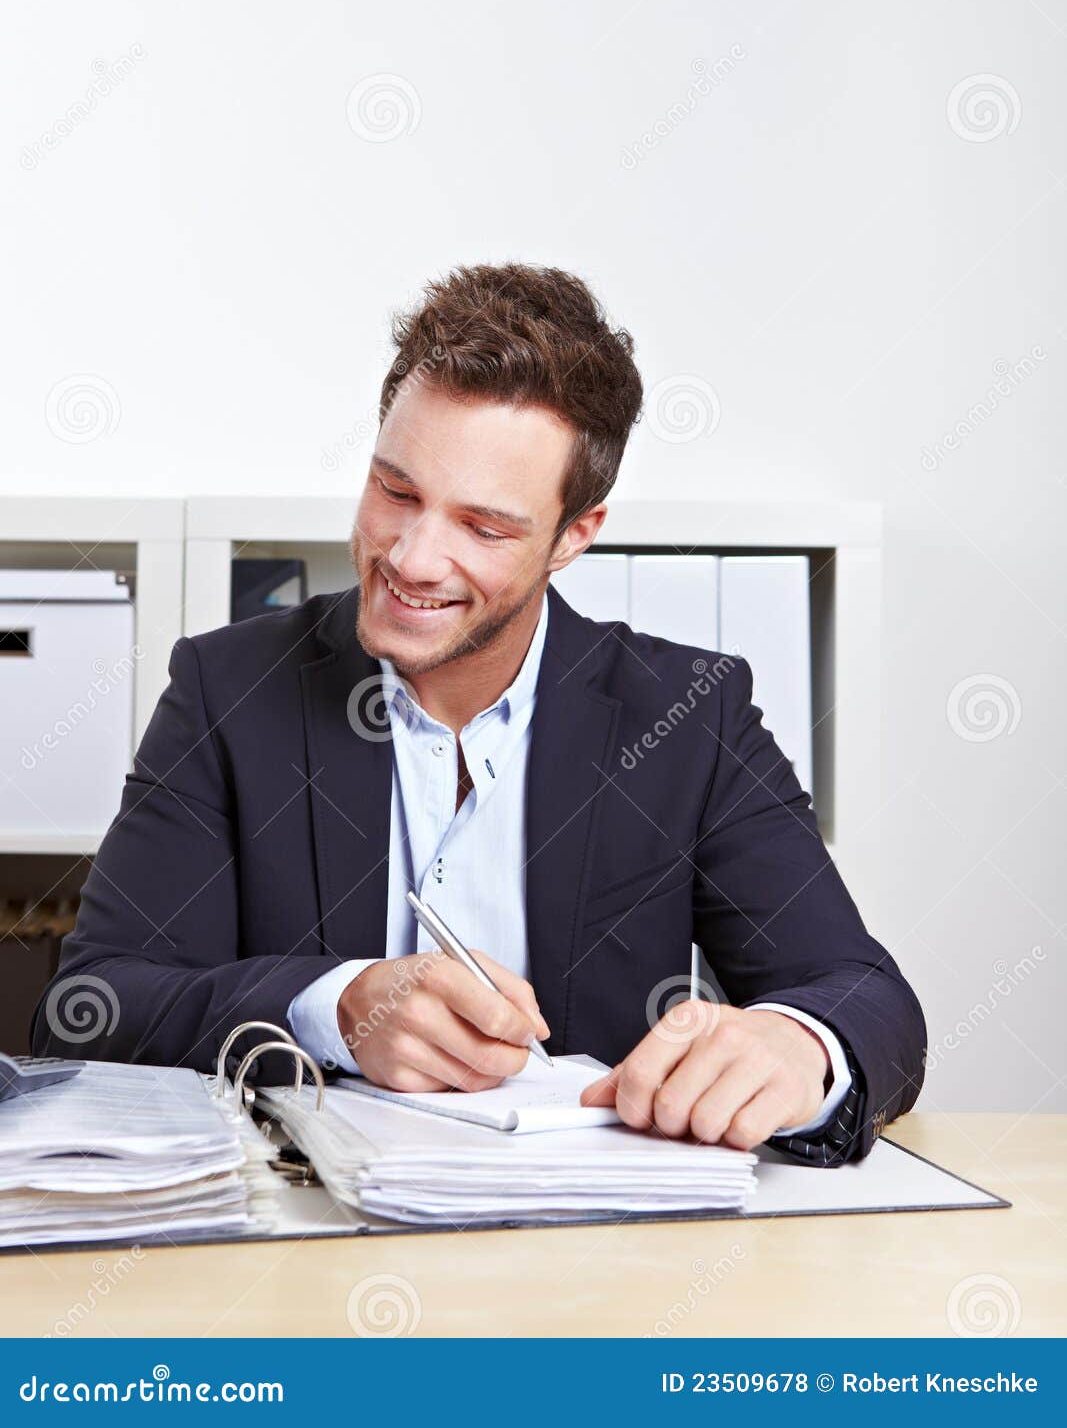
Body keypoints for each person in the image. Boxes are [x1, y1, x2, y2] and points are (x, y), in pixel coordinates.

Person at [33, 263, 925, 1162]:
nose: (413, 559)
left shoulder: (690, 714)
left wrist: (798, 1046)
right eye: (396, 492)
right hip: (307, 1252)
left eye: (484, 528)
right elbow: (91, 1009)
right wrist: (335, 1008)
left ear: (572, 536)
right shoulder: (230, 690)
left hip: (598, 1252)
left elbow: (864, 996)